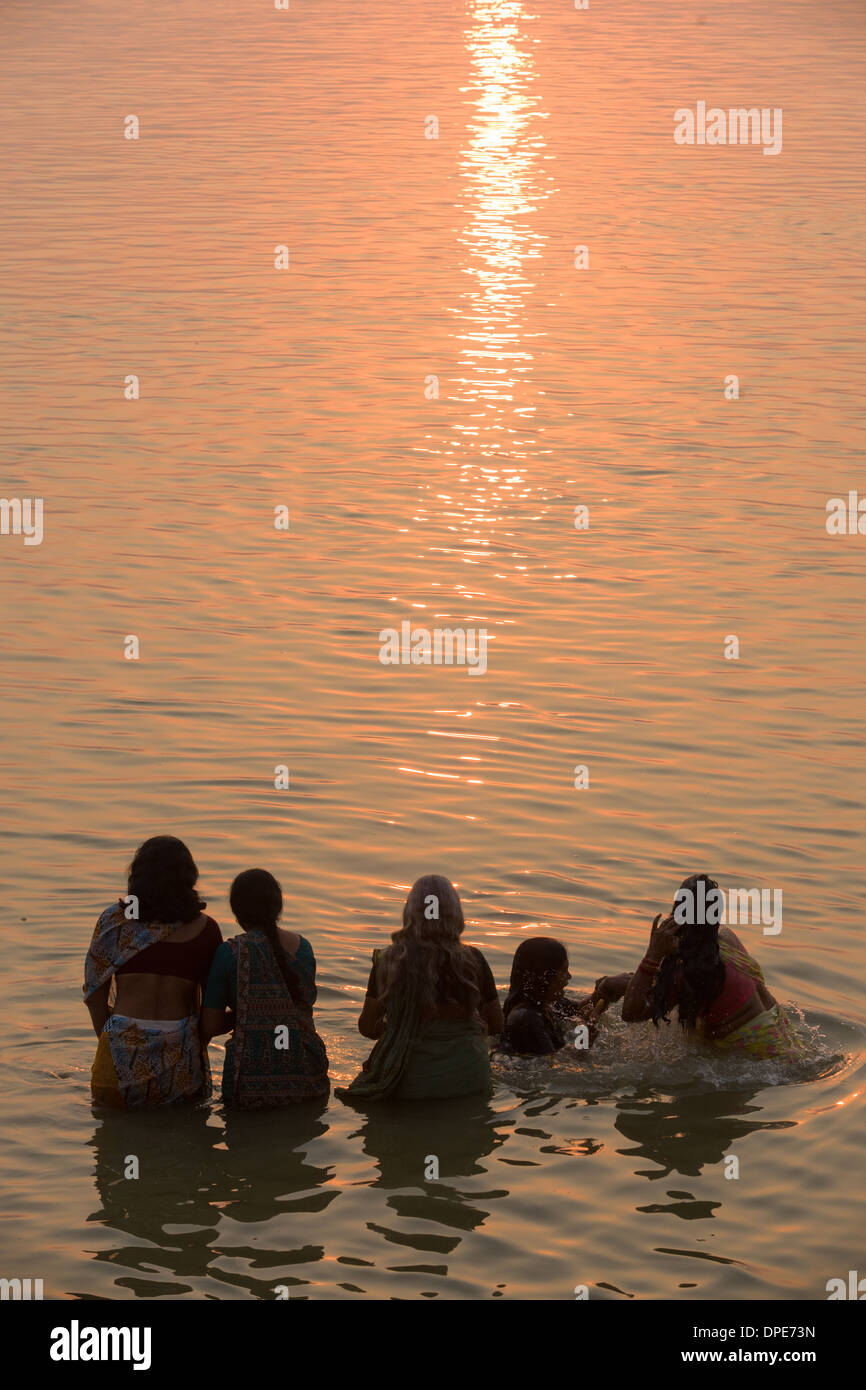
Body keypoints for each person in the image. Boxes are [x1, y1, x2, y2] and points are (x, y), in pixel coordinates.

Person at [336, 874, 504, 1102]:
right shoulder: (473, 959)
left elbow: (366, 1027)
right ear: (456, 914)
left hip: (407, 1082)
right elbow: (497, 1024)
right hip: (469, 1078)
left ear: (410, 912)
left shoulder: (388, 960)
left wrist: (395, 1027)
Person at [84, 836, 221, 1108]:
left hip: (118, 1063)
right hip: (179, 1069)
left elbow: (93, 996)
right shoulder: (206, 930)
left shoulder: (113, 922)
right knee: (183, 1145)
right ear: (188, 878)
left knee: (113, 1144)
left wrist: (115, 1044)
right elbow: (209, 1020)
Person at [621, 873, 806, 1060]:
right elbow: (661, 984)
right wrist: (625, 982)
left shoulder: (687, 972)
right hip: (786, 1041)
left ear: (678, 912)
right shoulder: (726, 938)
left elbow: (630, 1012)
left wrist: (652, 954)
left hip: (761, 1059)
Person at [200, 869, 329, 1109]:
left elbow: (211, 1026)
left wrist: (248, 1014)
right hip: (309, 1077)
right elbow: (303, 1004)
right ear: (277, 908)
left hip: (246, 1085)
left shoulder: (229, 954)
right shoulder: (304, 947)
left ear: (237, 914)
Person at [500, 937, 630, 1056]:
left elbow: (581, 1011)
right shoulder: (527, 1018)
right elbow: (553, 1067)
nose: (569, 976)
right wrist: (584, 1040)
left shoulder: (549, 1005)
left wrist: (605, 992)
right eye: (563, 971)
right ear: (543, 976)